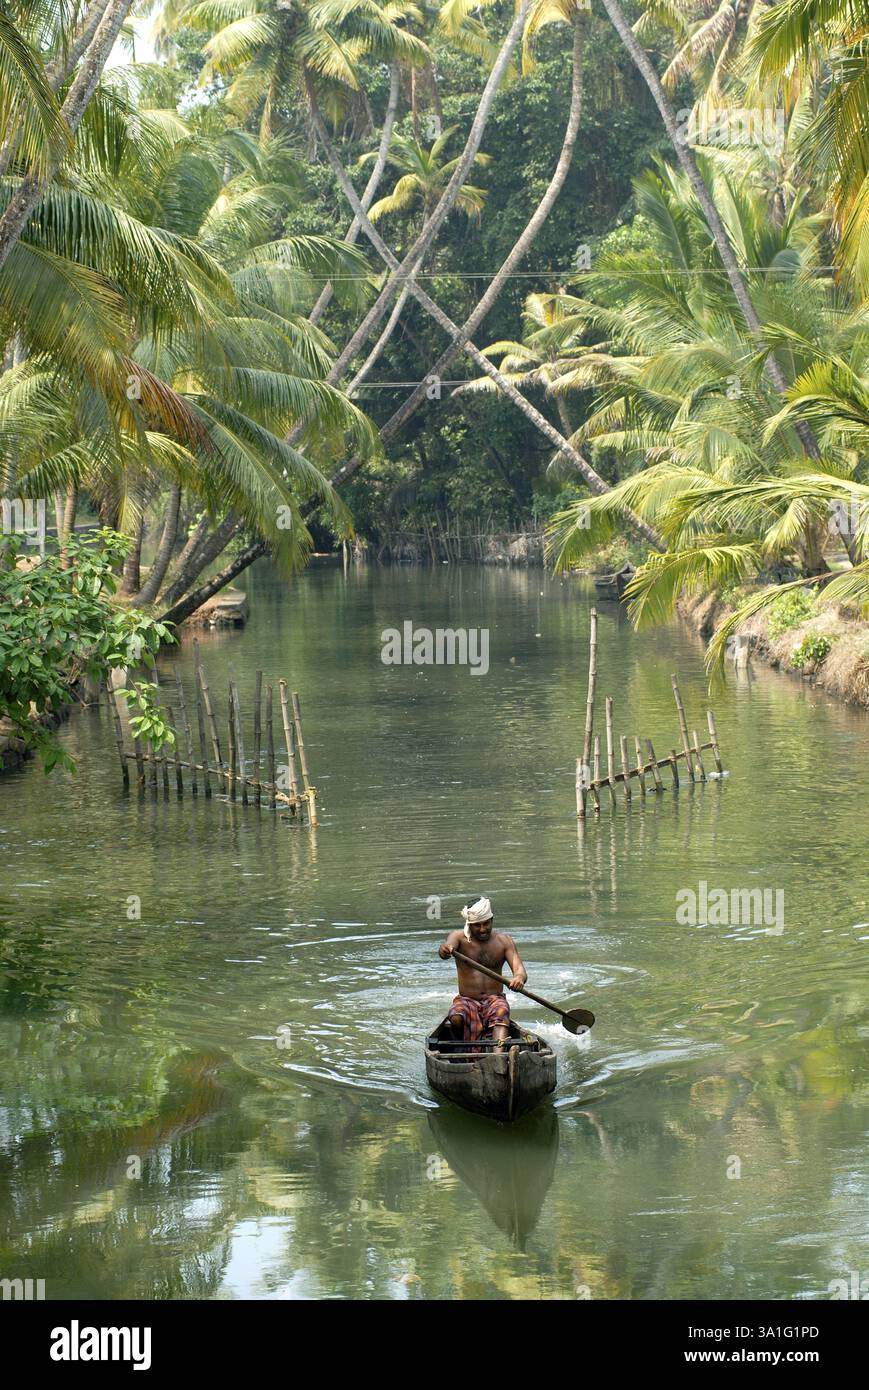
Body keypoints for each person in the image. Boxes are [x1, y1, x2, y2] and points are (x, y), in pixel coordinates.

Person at [438, 895, 527, 1050]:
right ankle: (460, 1046)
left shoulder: (504, 941)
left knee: (501, 1011)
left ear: (492, 920)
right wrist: (445, 950)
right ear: (469, 924)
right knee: (456, 1016)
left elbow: (519, 969)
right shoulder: (458, 938)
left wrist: (519, 978)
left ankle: (498, 1058)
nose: (483, 929)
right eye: (477, 925)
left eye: (486, 924)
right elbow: (445, 949)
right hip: (467, 999)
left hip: (494, 999)